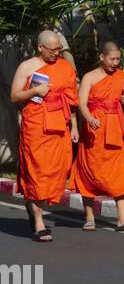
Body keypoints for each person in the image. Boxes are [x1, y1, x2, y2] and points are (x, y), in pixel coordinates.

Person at [10, 30, 79, 242]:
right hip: (36, 127)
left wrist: (74, 126)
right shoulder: (27, 66)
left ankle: (34, 206)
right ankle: (39, 221)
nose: (57, 53)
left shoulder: (65, 67)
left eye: (59, 49)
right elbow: (14, 96)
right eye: (52, 49)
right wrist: (34, 91)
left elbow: (71, 99)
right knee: (37, 171)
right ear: (40, 47)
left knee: (57, 170)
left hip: (59, 125)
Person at [69, 41, 124, 231]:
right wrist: (90, 119)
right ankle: (89, 217)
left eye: (118, 59)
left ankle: (122, 219)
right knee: (88, 171)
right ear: (102, 57)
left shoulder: (122, 77)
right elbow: (81, 103)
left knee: (120, 171)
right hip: (94, 131)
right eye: (112, 59)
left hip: (116, 129)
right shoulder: (89, 77)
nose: (116, 63)